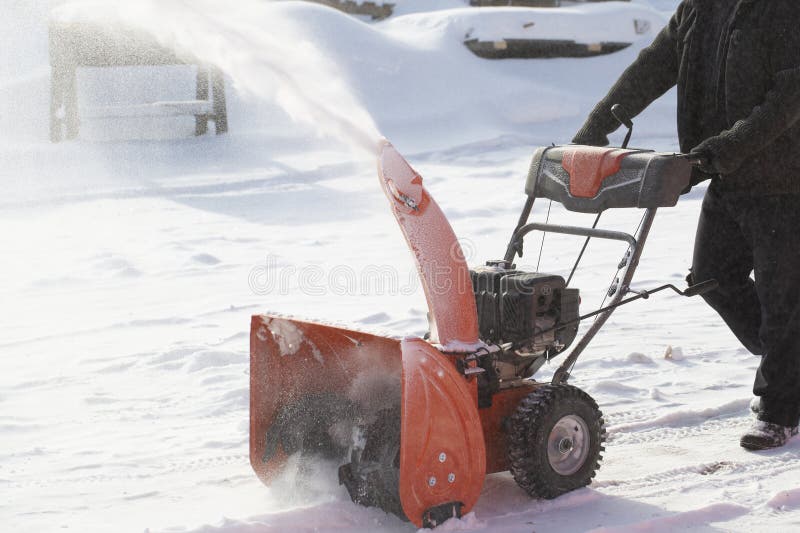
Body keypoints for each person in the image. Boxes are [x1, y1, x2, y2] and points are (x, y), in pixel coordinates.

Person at [572, 0, 800, 450]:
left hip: (785, 182)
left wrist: (722, 149)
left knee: (783, 303)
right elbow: (654, 66)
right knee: (711, 277)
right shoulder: (699, 6)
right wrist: (597, 128)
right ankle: (790, 363)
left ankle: (779, 409)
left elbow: (789, 97)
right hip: (727, 176)